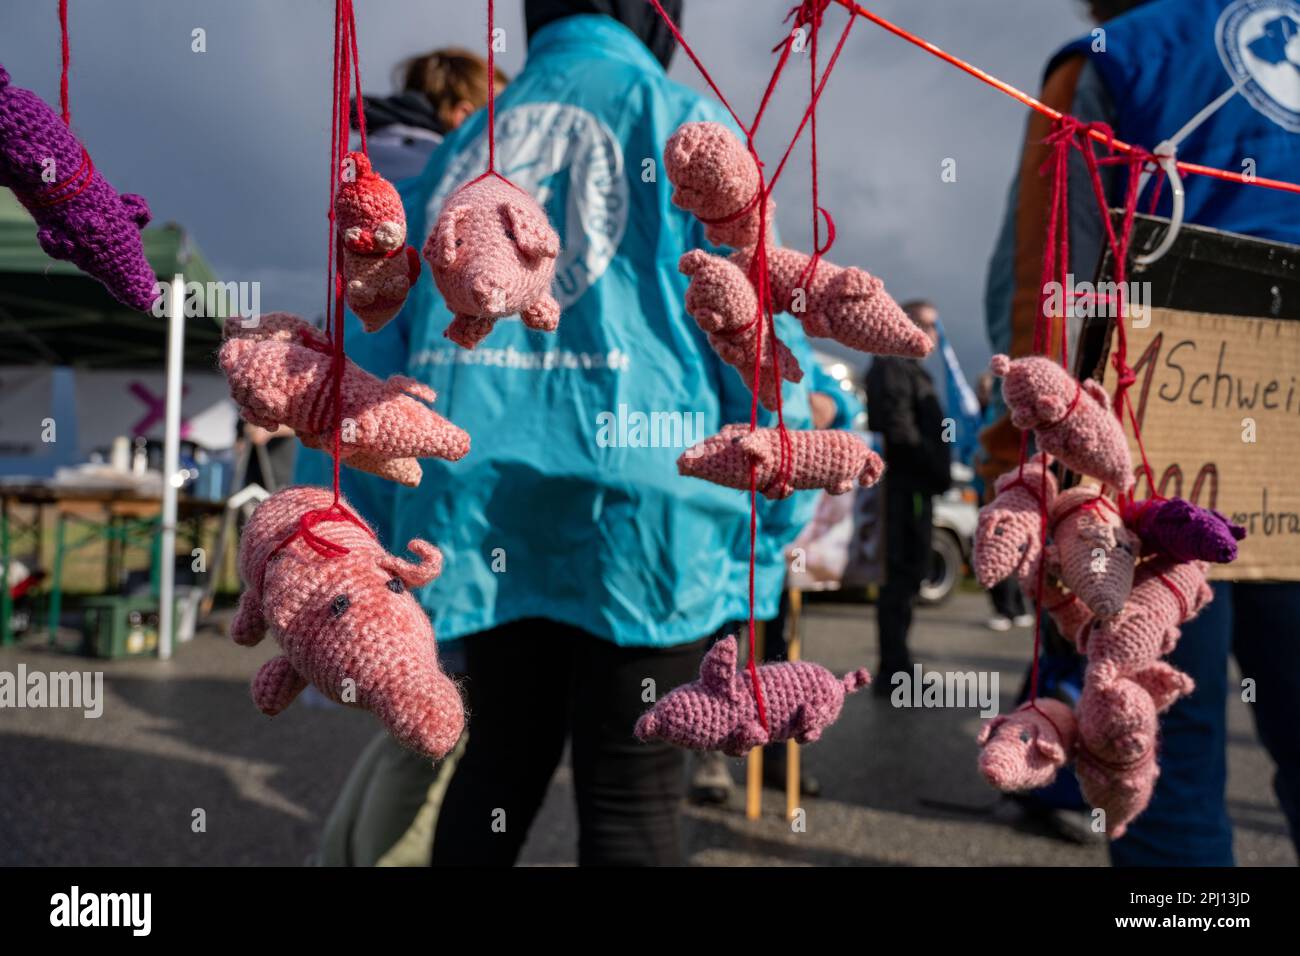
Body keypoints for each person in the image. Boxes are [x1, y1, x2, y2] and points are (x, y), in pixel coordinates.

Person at [312, 0, 817, 867]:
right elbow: (761, 330)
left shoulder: (470, 143)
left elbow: (372, 336)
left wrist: (365, 532)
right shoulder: (685, 121)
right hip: (652, 518)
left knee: (497, 764)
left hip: (481, 510)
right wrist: (776, 514)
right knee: (632, 791)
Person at [983, 0, 1300, 865]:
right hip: (1270, 447)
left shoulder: (1114, 55)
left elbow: (1051, 275)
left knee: (1156, 755)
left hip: (1160, 454)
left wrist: (1027, 477)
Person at [298, 49, 509, 868]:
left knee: (404, 715)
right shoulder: (441, 187)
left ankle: (334, 862)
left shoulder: (363, 176)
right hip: (418, 472)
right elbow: (450, 346)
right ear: (463, 106)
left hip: (347, 471)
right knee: (432, 719)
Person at [864, 301, 950, 692]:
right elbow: (900, 431)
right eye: (927, 325)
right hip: (904, 489)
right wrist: (936, 469)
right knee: (899, 578)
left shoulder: (914, 370)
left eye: (936, 326)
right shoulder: (892, 366)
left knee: (909, 577)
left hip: (917, 487)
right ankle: (894, 671)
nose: (934, 334)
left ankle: (900, 665)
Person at [973, 371, 1031, 633]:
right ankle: (1002, 608)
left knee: (1015, 549)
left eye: (989, 388)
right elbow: (963, 445)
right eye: (983, 388)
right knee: (994, 550)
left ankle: (1016, 607)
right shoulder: (972, 418)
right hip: (985, 496)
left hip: (1007, 494)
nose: (986, 393)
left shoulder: (1004, 418)